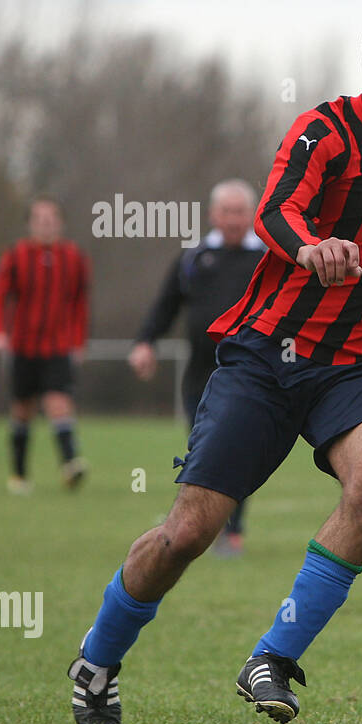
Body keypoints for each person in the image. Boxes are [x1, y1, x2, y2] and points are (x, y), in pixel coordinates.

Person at [67, 0, 362, 724]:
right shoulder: (326, 130)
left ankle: (272, 657)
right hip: (270, 359)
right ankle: (97, 657)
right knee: (187, 534)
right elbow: (277, 211)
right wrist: (311, 247)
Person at [128, 179, 267, 554]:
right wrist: (145, 343)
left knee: (237, 448)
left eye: (240, 212)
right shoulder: (194, 257)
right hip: (200, 376)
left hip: (250, 374)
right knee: (202, 449)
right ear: (213, 215)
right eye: (227, 211)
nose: (234, 219)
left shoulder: (268, 257)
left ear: (251, 214)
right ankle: (202, 525)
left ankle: (233, 530)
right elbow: (165, 304)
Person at [0, 195, 91, 494]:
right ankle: (19, 476)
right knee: (22, 409)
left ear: (60, 223)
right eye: (39, 220)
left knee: (59, 402)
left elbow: (80, 302)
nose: (46, 225)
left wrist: (78, 340)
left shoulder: (74, 258)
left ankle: (71, 464)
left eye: (51, 219)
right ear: (30, 224)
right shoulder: (16, 256)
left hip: (58, 347)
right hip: (23, 347)